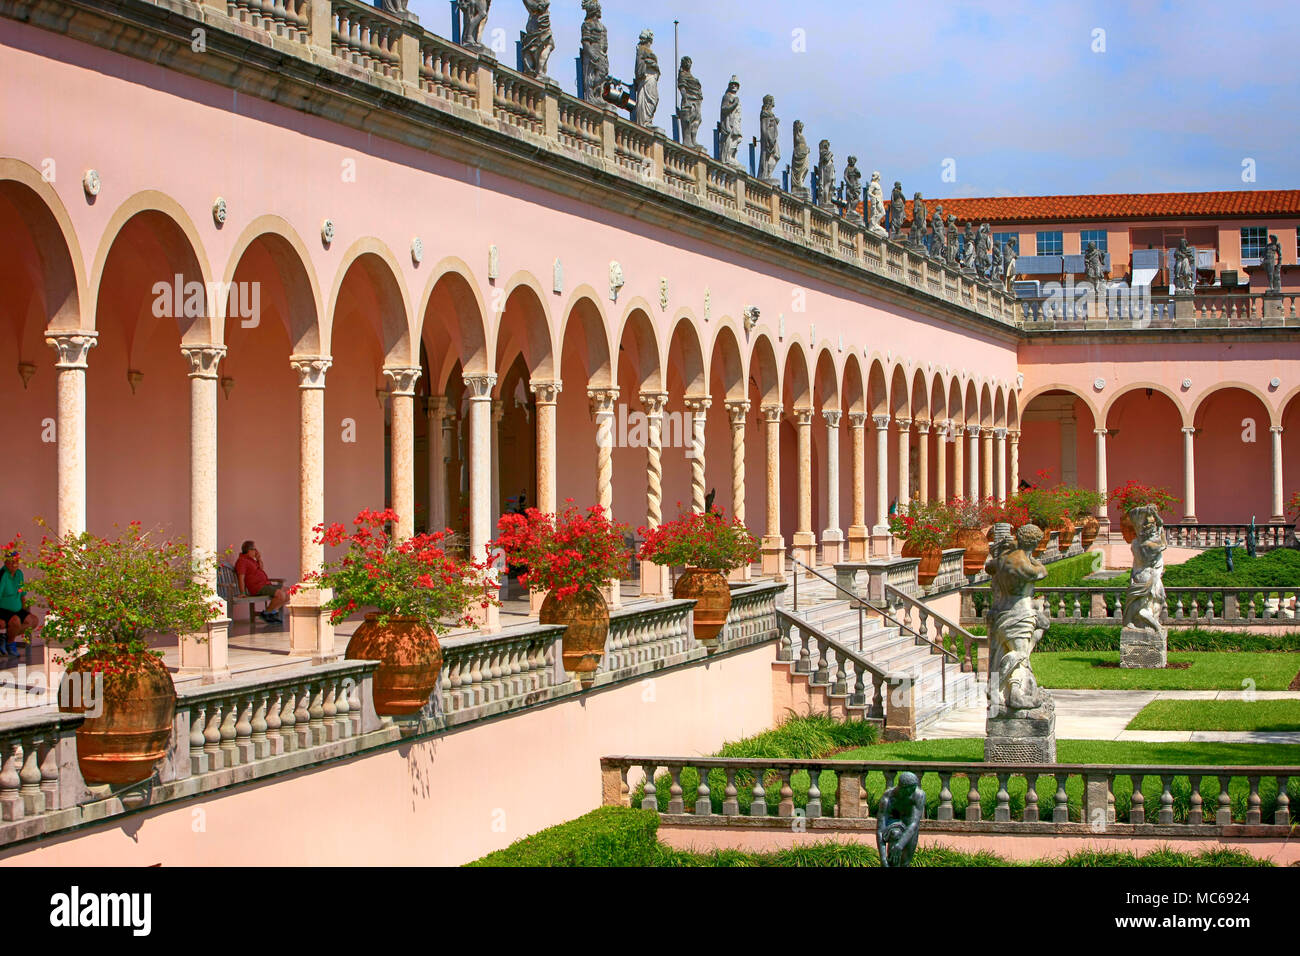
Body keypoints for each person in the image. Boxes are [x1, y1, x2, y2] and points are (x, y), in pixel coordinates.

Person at [234, 541, 288, 626]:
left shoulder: (252, 560)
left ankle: (271, 612)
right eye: (255, 549)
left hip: (265, 584)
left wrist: (258, 559)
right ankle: (267, 613)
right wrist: (242, 592)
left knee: (290, 592)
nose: (256, 551)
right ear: (249, 550)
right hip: (257, 587)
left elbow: (261, 569)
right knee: (281, 595)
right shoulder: (242, 561)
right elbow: (241, 577)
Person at [0, 550, 39, 656]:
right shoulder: (2, 575)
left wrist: (24, 609)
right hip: (3, 610)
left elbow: (22, 595)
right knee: (15, 621)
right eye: (11, 561)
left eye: (16, 561)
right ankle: (10, 643)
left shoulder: (19, 574)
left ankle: (5, 638)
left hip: (16, 609)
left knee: (33, 621)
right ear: (6, 562)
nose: (14, 564)